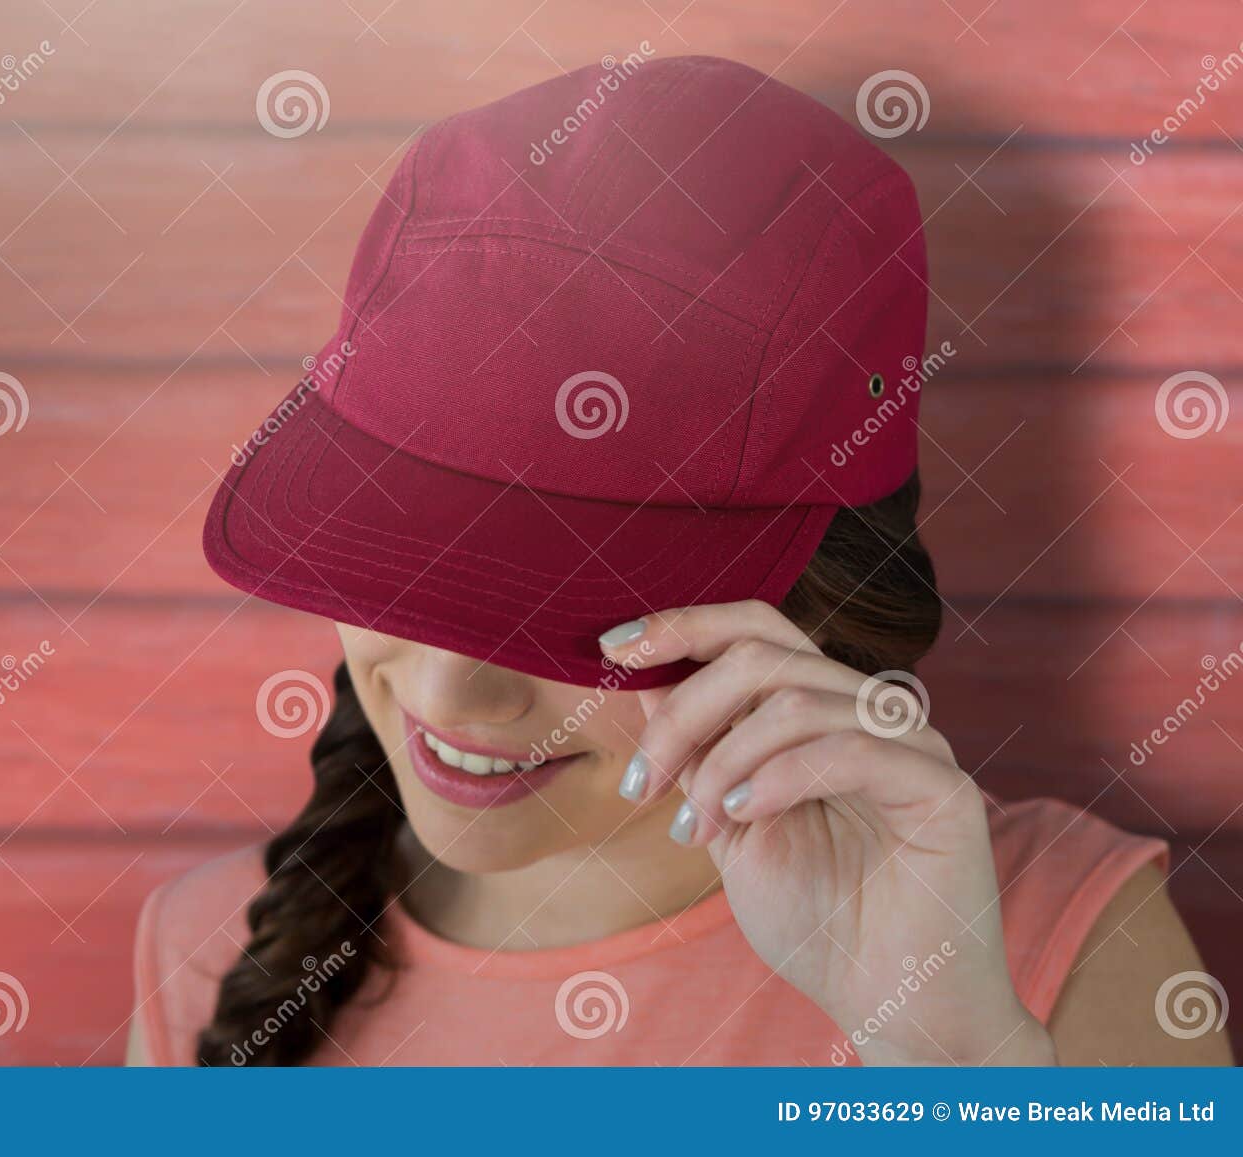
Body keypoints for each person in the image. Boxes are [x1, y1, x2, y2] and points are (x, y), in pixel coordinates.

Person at [127, 55, 1232, 1067]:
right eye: (393, 562)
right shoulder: (207, 951)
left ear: (820, 592)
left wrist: (948, 1052)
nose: (444, 691)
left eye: (566, 612)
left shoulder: (1052, 936)